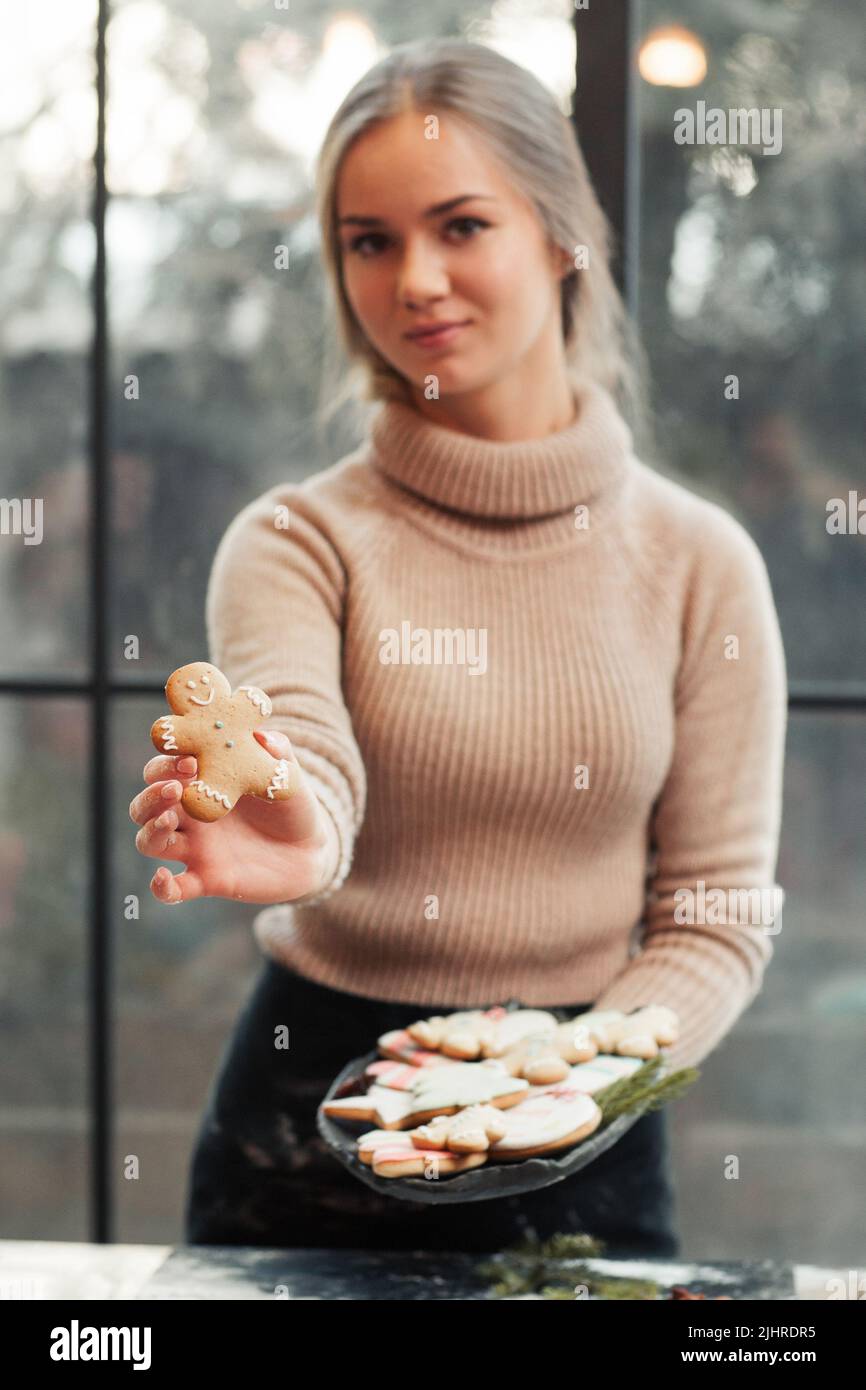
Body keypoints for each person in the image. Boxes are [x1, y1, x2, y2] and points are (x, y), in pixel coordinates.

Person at [130, 39, 787, 1256]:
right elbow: (309, 763)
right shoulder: (293, 540)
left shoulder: (700, 563)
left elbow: (712, 910)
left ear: (559, 235)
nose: (415, 279)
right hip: (311, 1132)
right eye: (369, 240)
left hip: (586, 1121)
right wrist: (294, 818)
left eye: (461, 224)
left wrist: (563, 1079)